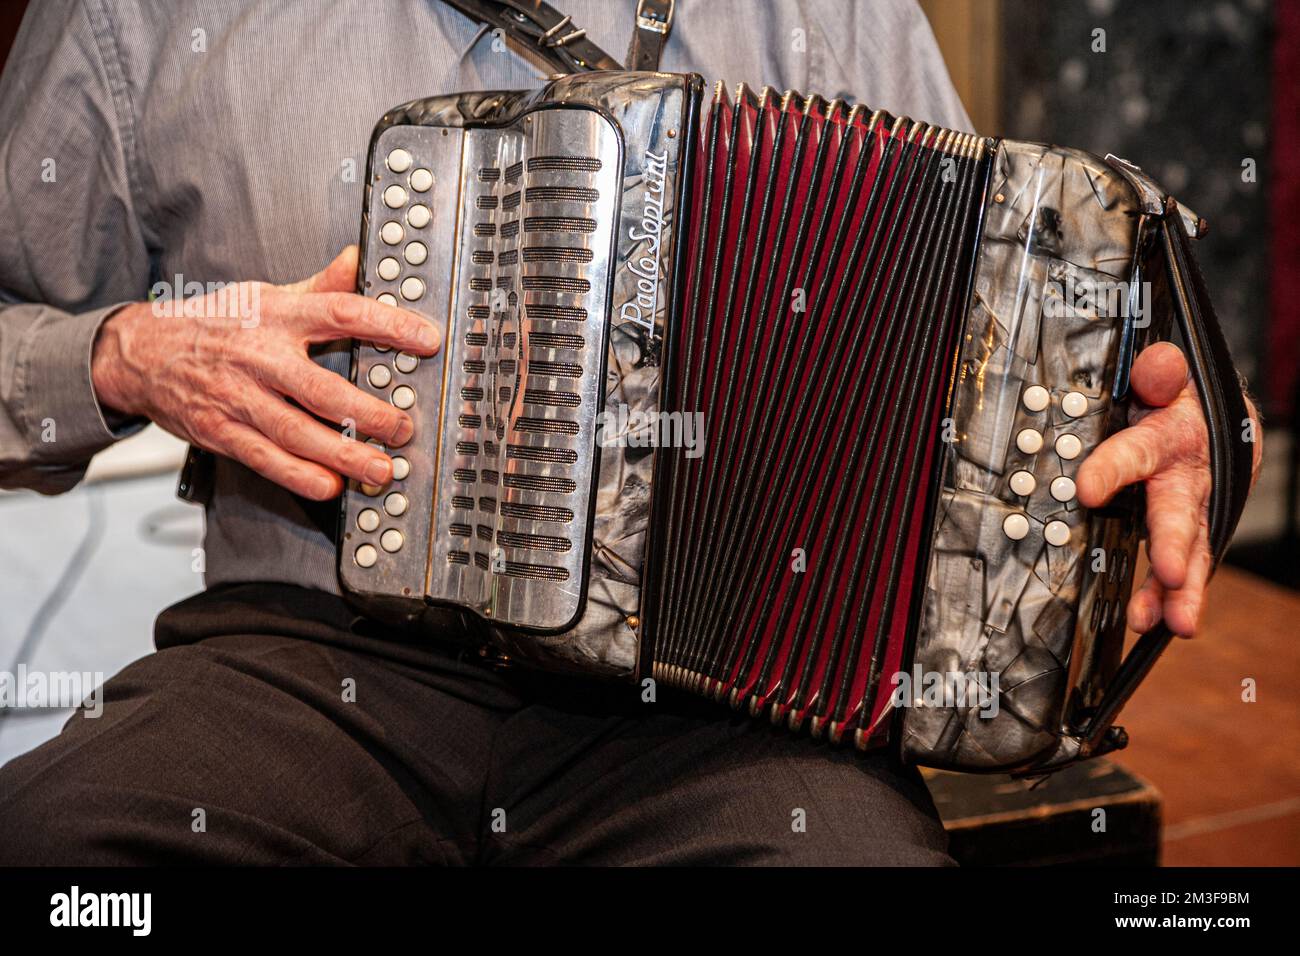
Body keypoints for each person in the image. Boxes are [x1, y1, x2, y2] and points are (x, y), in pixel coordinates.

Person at [0, 0, 1260, 865]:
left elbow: (1017, 317)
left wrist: (1183, 422)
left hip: (729, 704)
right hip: (310, 659)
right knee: (65, 847)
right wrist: (123, 356)